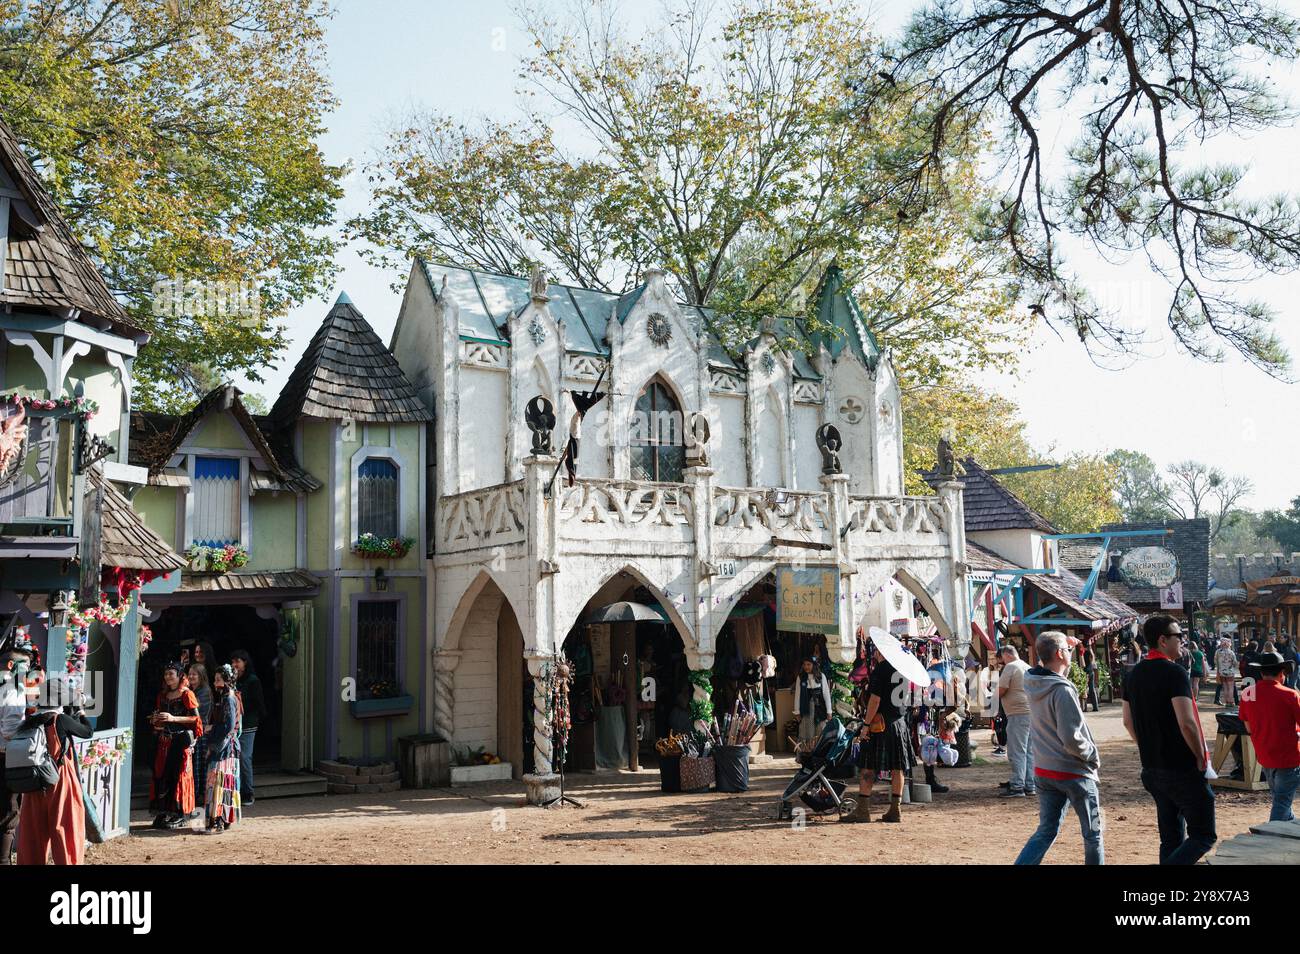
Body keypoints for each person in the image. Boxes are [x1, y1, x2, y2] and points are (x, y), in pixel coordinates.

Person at [1122, 615, 1216, 865]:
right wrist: (1199, 756)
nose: (1183, 642)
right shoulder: (1174, 673)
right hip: (1181, 766)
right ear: (1163, 640)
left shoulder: (1132, 674)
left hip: (1152, 767)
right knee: (1203, 835)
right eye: (1179, 637)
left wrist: (1148, 745)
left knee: (1171, 838)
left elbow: (1127, 722)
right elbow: (1186, 722)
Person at [1014, 632, 1104, 865]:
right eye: (1065, 649)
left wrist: (1065, 648)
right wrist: (1092, 756)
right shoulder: (1062, 690)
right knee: (1093, 834)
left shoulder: (1032, 680)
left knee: (1046, 831)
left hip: (1045, 770)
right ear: (1059, 654)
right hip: (1073, 771)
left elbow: (1046, 660)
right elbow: (1071, 738)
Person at [15, 672, 92, 865]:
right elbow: (88, 732)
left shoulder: (29, 721)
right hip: (59, 779)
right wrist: (80, 711)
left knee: (33, 832)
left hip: (33, 782)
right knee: (64, 827)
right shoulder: (61, 720)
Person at [845, 644, 913, 823]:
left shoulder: (880, 670)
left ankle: (862, 811)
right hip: (899, 724)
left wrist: (865, 725)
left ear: (883, 651)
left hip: (880, 724)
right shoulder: (904, 669)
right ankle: (895, 810)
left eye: (876, 649)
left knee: (868, 766)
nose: (874, 652)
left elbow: (875, 700)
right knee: (897, 767)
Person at [1238, 651, 1300, 822]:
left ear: (1261, 672)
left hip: (1265, 754)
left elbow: (1248, 726)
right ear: (1282, 674)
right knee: (1282, 801)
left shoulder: (1248, 693)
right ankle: (1271, 838)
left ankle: (1287, 827)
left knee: (1280, 799)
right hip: (1288, 756)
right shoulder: (1290, 695)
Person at [148, 661, 204, 829]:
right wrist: (155, 720)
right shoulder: (162, 695)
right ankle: (163, 811)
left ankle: (179, 814)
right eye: (166, 674)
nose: (167, 677)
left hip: (180, 742)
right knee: (161, 775)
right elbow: (158, 716)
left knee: (177, 776)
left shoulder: (187, 694)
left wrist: (173, 718)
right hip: (164, 742)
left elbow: (197, 720)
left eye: (171, 674)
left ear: (180, 675)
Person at [0, 637, 36, 864]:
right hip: (5, 757)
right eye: (25, 666)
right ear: (12, 666)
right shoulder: (12, 690)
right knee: (8, 813)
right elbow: (9, 731)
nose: (29, 671)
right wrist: (34, 726)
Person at [204, 664, 243, 833]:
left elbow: (229, 727)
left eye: (218, 680)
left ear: (227, 681)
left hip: (225, 749)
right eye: (215, 679)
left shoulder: (228, 699)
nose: (215, 683)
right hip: (228, 747)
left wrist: (211, 730)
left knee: (219, 782)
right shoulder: (228, 697)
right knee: (222, 783)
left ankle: (219, 818)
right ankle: (222, 818)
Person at [997, 646, 1035, 797]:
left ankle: (1017, 786)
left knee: (1017, 751)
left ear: (1006, 655)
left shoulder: (1011, 667)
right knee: (1029, 751)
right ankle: (1030, 785)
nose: (1001, 661)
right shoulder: (1028, 667)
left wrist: (992, 692)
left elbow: (1002, 690)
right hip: (1031, 713)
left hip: (1017, 713)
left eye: (1001, 658)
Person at [231, 650, 266, 806]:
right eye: (233, 662)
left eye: (238, 661)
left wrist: (241, 707)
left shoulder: (252, 681)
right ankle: (234, 791)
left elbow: (258, 704)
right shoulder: (231, 680)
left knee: (244, 758)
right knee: (233, 759)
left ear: (245, 662)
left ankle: (248, 792)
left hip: (248, 724)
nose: (235, 665)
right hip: (232, 725)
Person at [188, 663, 212, 812]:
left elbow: (195, 713)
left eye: (194, 674)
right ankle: (195, 795)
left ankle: (199, 796)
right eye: (189, 674)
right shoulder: (193, 690)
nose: (191, 677)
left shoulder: (204, 691)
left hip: (200, 733)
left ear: (201, 676)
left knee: (199, 766)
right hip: (194, 732)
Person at [792, 656, 831, 744]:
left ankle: (818, 755)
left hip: (820, 708)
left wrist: (829, 711)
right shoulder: (801, 677)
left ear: (814, 665)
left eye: (809, 664)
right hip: (807, 709)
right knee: (807, 732)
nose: (806, 667)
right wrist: (797, 712)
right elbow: (798, 695)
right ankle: (806, 754)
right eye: (804, 664)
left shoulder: (821, 676)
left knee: (820, 731)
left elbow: (826, 694)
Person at [1214, 638, 1239, 708]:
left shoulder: (1218, 652)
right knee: (1230, 687)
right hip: (1230, 672)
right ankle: (1231, 701)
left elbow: (1215, 662)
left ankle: (1227, 701)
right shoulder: (1231, 652)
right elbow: (1235, 662)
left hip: (1221, 672)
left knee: (1225, 687)